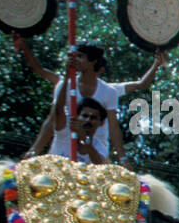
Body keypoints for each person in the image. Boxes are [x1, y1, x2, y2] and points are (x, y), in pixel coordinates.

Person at [28, 41, 164, 165]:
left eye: (80, 56)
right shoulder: (64, 85)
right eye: (74, 56)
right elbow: (52, 119)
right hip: (66, 142)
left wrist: (122, 158)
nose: (75, 60)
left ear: (93, 61)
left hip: (96, 146)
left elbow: (114, 127)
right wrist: (35, 150)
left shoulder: (109, 91)